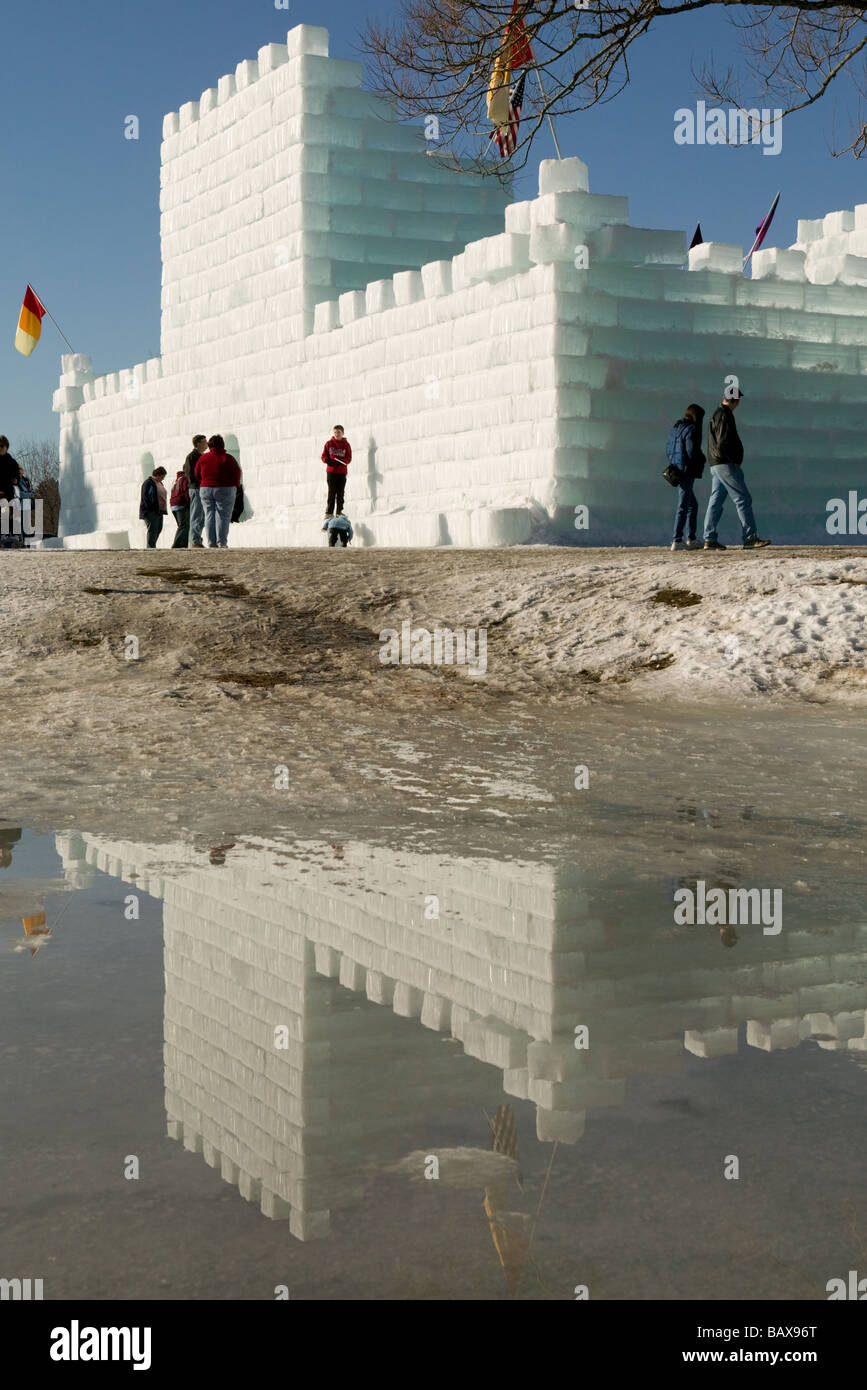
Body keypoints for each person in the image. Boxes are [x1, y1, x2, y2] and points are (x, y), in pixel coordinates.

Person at [702, 388, 771, 550]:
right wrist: (733, 460)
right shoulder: (724, 415)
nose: (739, 403)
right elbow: (723, 440)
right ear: (734, 400)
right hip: (726, 463)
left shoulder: (717, 414)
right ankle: (750, 538)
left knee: (716, 501)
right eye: (738, 400)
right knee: (743, 499)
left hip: (716, 463)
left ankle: (709, 539)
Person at [666, 404, 705, 551]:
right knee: (683, 505)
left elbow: (668, 448)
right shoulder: (692, 429)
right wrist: (700, 459)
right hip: (686, 471)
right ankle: (677, 540)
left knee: (692, 505)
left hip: (677, 468)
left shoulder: (676, 428)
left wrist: (674, 462)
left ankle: (691, 538)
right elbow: (691, 451)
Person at [195, 434, 240, 548]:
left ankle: (211, 543)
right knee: (223, 515)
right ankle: (221, 542)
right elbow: (237, 472)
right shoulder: (228, 458)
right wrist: (236, 485)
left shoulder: (203, 458)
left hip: (206, 488)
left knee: (209, 514)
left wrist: (205, 481)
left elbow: (196, 473)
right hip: (224, 488)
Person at [321, 424, 351, 525]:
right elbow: (323, 456)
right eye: (335, 432)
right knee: (332, 492)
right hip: (331, 472)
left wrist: (341, 461)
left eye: (338, 432)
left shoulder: (346, 445)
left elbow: (348, 458)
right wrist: (328, 460)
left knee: (340, 493)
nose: (336, 434)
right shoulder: (329, 443)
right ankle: (329, 512)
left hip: (342, 472)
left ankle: (339, 512)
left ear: (342, 433)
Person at [183, 434, 208, 548]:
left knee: (201, 516)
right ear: (198, 443)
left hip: (201, 488)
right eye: (204, 441)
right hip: (196, 489)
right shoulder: (192, 457)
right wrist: (198, 484)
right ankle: (195, 541)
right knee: (196, 515)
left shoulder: (200, 456)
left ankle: (197, 540)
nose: (206, 444)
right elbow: (189, 474)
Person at [139, 466, 168, 548]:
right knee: (152, 529)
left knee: (158, 528)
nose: (163, 479)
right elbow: (145, 497)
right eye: (162, 477)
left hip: (159, 511)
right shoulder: (148, 483)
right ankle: (150, 547)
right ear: (157, 475)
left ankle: (152, 545)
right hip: (150, 511)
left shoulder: (160, 483)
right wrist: (150, 509)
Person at [169, 468, 190, 548]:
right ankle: (176, 545)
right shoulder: (184, 479)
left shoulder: (176, 480)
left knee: (183, 526)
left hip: (173, 505)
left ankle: (184, 545)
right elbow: (186, 492)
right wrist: (189, 504)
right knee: (183, 526)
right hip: (181, 504)